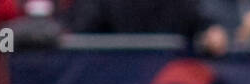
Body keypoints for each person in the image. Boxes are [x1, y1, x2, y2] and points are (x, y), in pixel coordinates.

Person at [71, 0, 228, 54]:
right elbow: (82, 36)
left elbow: (201, 23)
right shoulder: (102, 4)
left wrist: (211, 32)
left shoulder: (182, 4)